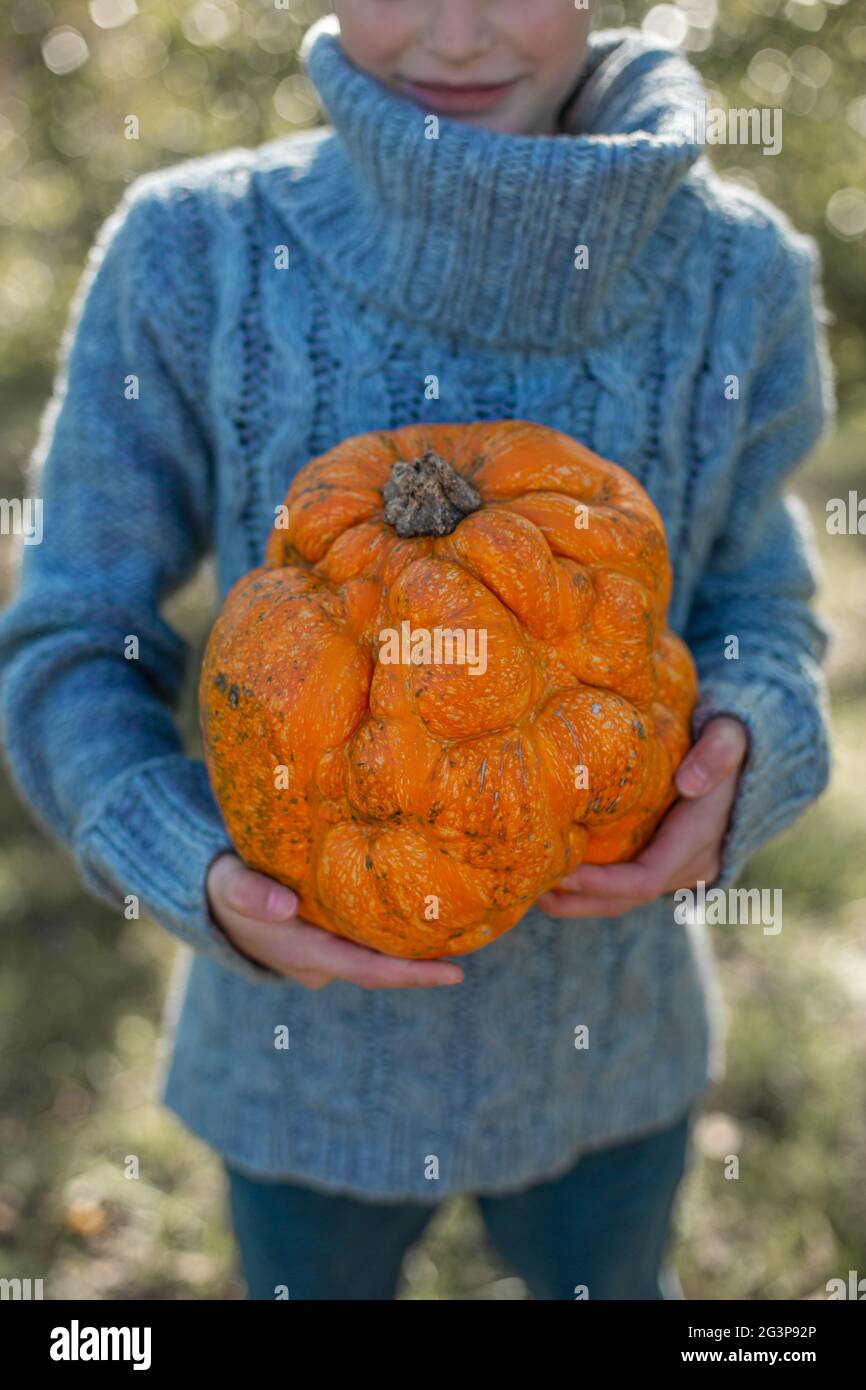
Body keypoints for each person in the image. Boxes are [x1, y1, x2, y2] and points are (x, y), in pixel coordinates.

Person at [0, 2, 834, 1300]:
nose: (454, 33)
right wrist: (190, 865)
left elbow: (756, 597)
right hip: (295, 1052)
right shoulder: (193, 254)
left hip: (607, 1044)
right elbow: (68, 634)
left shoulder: (740, 279)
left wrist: (749, 734)